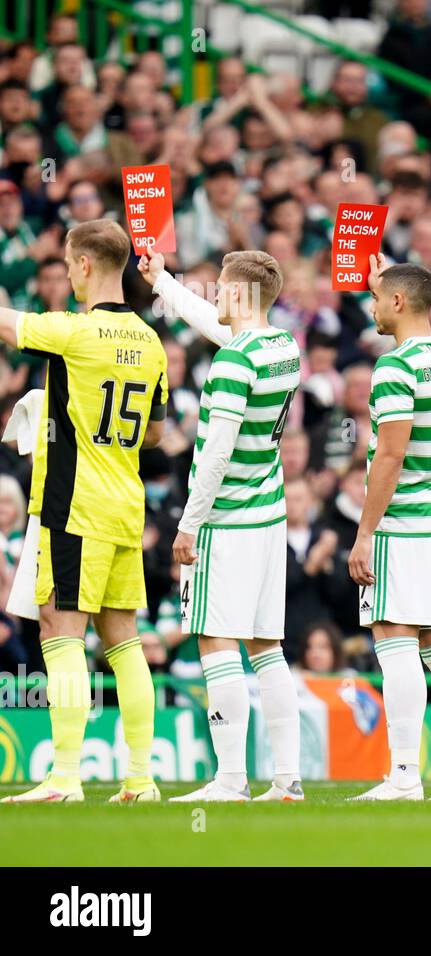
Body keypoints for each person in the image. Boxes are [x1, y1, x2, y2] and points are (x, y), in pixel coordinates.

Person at [0, 220, 167, 804]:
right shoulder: (151, 341)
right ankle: (141, 779)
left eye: (70, 263)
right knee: (124, 641)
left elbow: (6, 322)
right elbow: (154, 435)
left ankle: (65, 777)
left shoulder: (73, 331)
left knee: (59, 630)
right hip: (125, 505)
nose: (67, 273)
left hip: (74, 506)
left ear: (87, 264)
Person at [140, 248, 305, 803]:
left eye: (219, 288)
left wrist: (188, 525)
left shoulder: (235, 362)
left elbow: (212, 454)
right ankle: (287, 779)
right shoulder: (281, 347)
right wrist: (162, 279)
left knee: (215, 641)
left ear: (237, 293)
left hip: (227, 517)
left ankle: (231, 778)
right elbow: (213, 324)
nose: (213, 295)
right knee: (267, 648)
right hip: (269, 513)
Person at [347, 257, 431, 802]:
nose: (372, 305)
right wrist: (388, 274)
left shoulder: (394, 368)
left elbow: (390, 454)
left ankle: (404, 774)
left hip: (403, 523)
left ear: (398, 304)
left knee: (394, 638)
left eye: (379, 298)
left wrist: (364, 533)